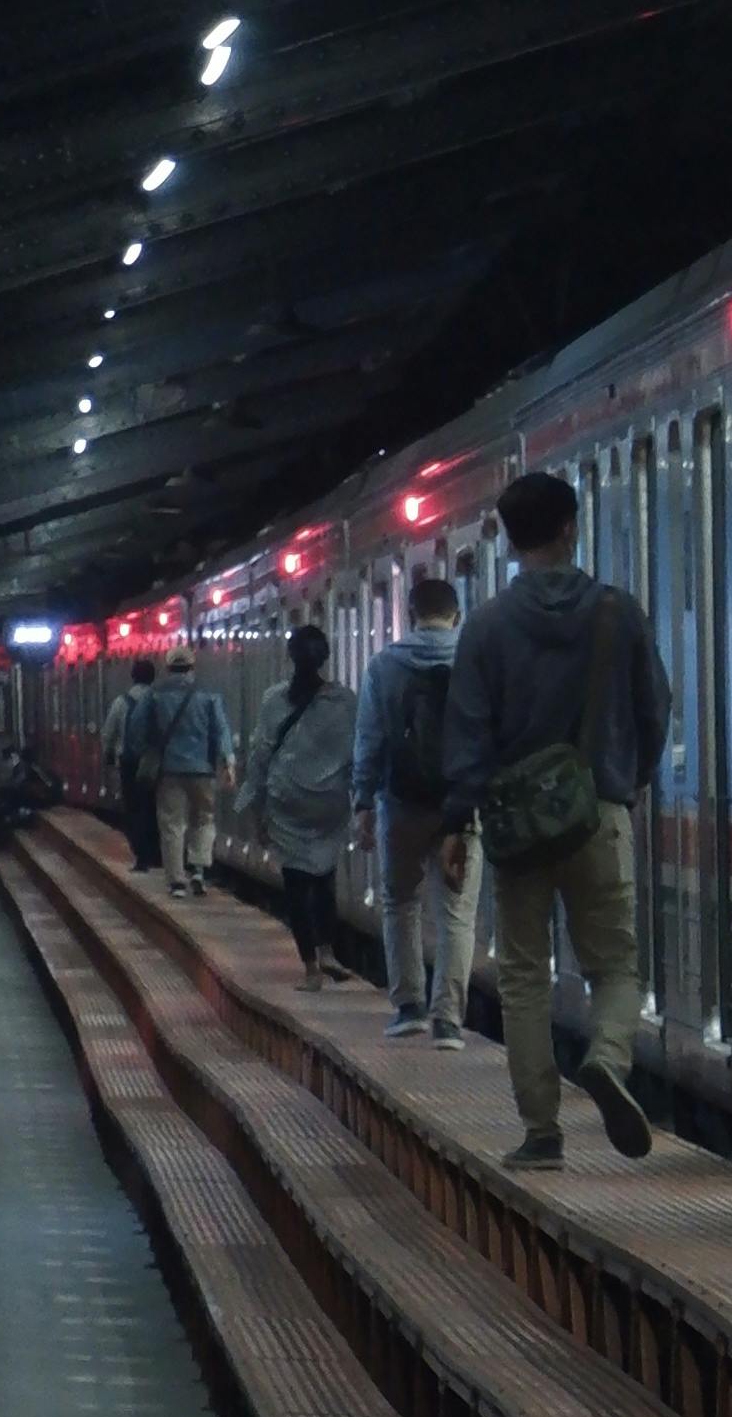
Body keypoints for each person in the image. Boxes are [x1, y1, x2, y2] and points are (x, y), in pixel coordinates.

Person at [441, 468, 669, 1167]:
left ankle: (542, 1132)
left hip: (516, 831)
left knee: (522, 976)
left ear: (508, 540)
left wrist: (459, 821)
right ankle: (606, 1056)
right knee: (616, 965)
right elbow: (655, 707)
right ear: (571, 527)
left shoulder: (484, 627)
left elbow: (468, 730)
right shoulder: (617, 612)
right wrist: (626, 782)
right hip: (598, 811)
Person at [352, 574, 482, 1040]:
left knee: (400, 903)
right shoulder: (474, 661)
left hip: (400, 803)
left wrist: (362, 802)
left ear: (409, 616)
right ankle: (449, 1020)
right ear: (457, 615)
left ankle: (409, 1007)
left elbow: (369, 738)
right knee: (456, 913)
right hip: (461, 810)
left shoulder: (384, 665)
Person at [236, 617, 359, 983]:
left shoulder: (275, 699)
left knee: (296, 884)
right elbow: (355, 752)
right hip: (329, 803)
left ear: (291, 657)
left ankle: (310, 969)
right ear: (325, 657)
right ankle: (328, 950)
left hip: (286, 799)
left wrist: (254, 806)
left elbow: (262, 753)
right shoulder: (344, 700)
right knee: (324, 875)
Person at [149, 648, 237, 893]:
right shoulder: (208, 695)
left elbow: (141, 730)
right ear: (192, 667)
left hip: (169, 770)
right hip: (203, 769)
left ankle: (177, 881)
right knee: (203, 819)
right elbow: (221, 730)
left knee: (172, 824)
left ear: (168, 668)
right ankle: (198, 870)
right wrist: (228, 761)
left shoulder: (156, 695)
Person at [98, 653, 166, 871]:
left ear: (133, 677)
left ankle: (141, 855)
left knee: (133, 809)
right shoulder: (159, 700)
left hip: (129, 763)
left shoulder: (121, 702)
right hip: (155, 764)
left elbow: (108, 733)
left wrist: (107, 753)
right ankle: (158, 854)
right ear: (153, 678)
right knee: (155, 807)